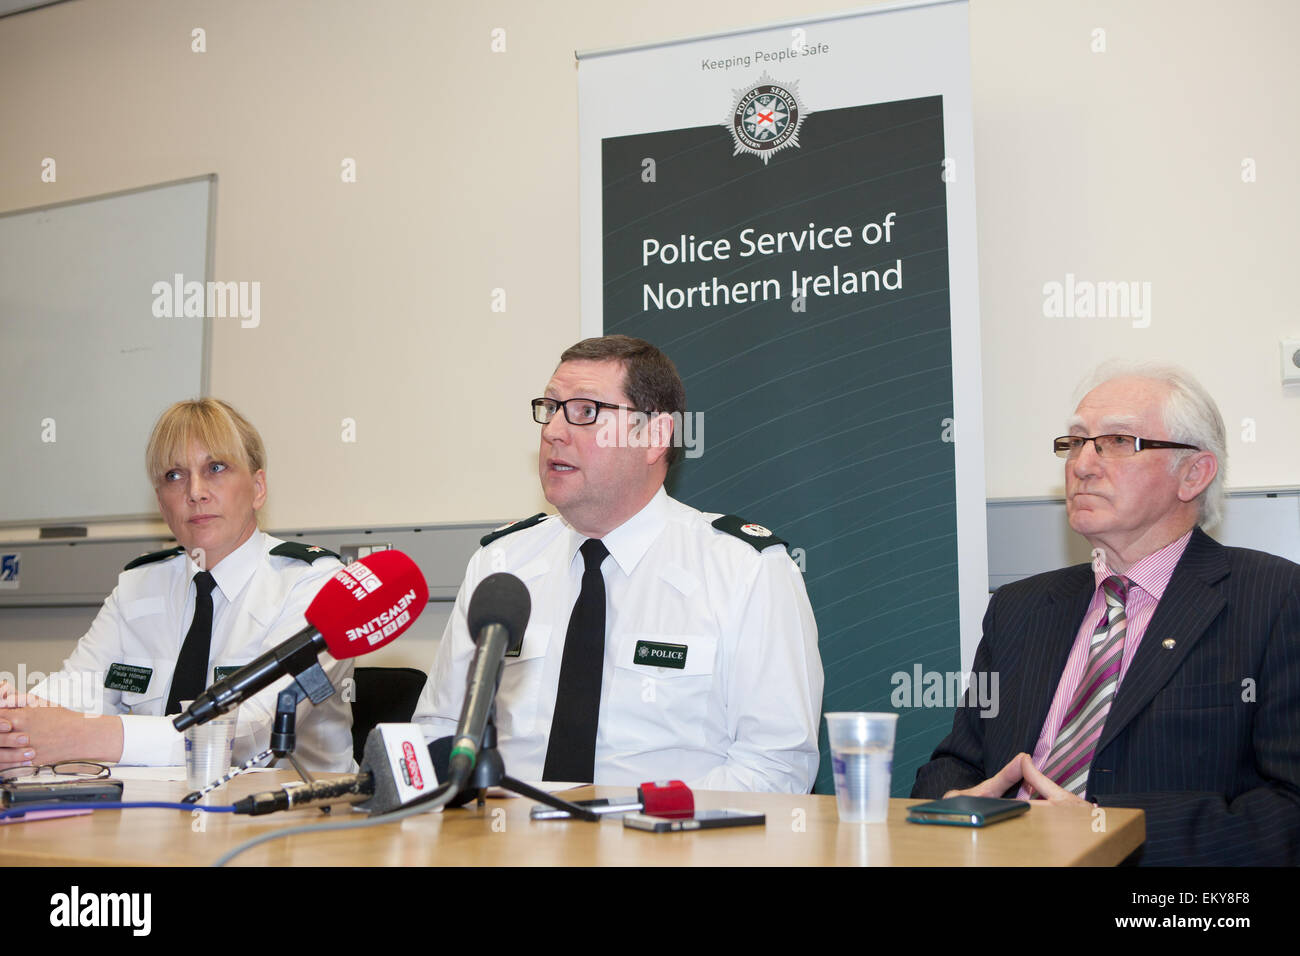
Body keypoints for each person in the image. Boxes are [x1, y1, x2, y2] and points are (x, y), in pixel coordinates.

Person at [912, 363, 1300, 865]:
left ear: (1193, 474)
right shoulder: (1019, 609)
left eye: (1117, 441)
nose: (1082, 465)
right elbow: (954, 763)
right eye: (1074, 443)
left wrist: (1105, 830)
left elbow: (1289, 809)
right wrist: (958, 804)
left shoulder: (1275, 599)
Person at [415, 335, 823, 792]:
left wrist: (638, 830)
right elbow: (440, 730)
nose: (553, 430)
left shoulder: (744, 570)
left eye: (585, 411)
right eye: (549, 407)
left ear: (654, 436)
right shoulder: (501, 564)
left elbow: (777, 768)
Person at [0, 399, 355, 773]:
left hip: (292, 821)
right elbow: (77, 689)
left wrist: (81, 735)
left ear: (257, 487)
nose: (195, 492)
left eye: (215, 468)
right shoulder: (140, 585)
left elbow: (248, 735)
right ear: (160, 503)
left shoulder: (315, 584)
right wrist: (17, 713)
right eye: (174, 475)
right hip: (150, 818)